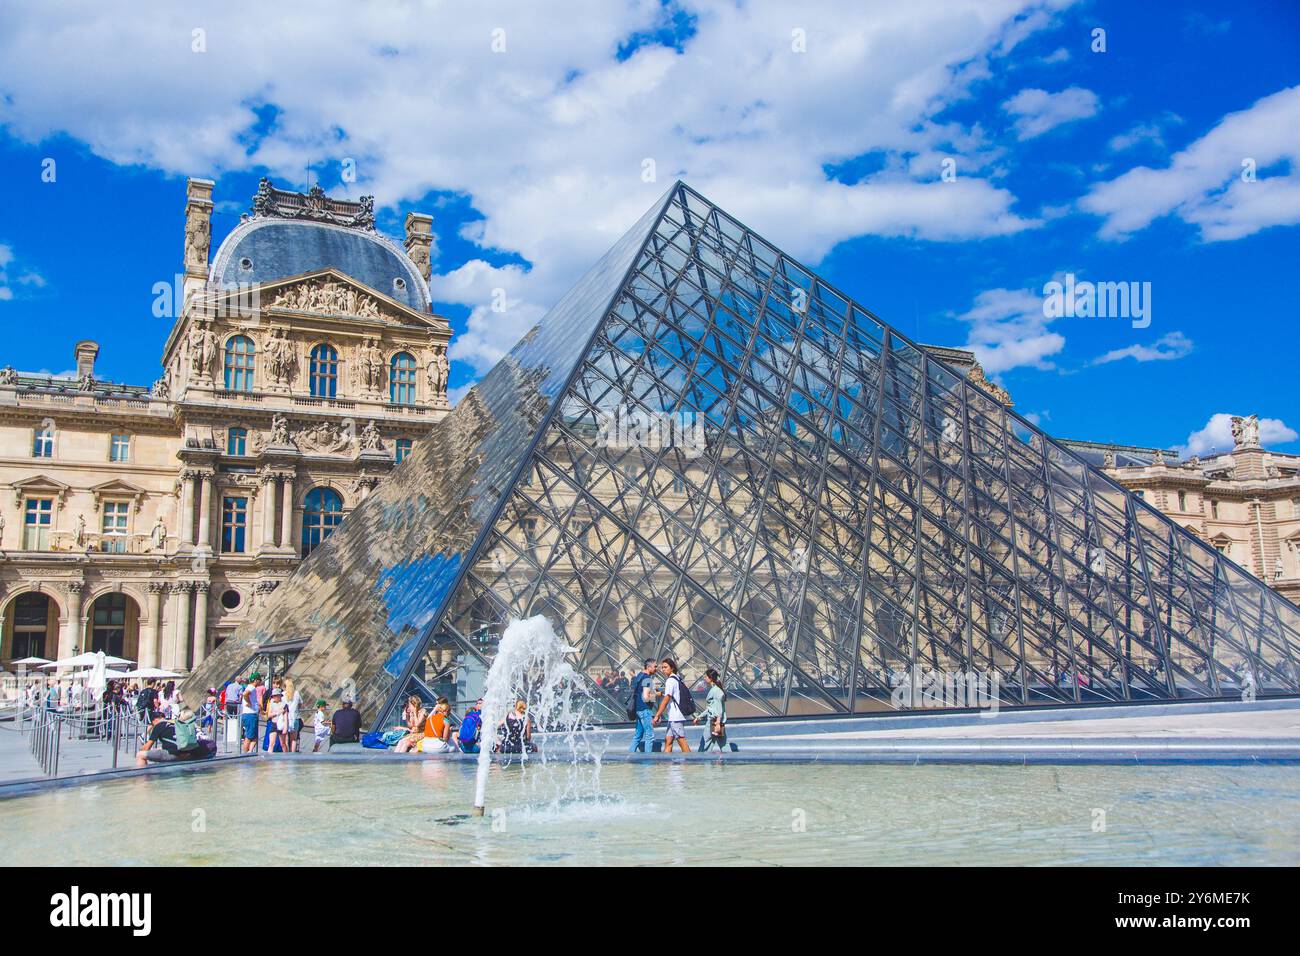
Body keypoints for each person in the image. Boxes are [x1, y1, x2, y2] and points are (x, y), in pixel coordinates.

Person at [652, 658, 690, 753]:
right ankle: (666, 763)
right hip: (674, 716)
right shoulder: (677, 678)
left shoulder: (670, 681)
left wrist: (657, 715)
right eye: (662, 667)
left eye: (665, 667)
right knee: (668, 741)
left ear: (672, 668)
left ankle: (691, 762)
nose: (663, 669)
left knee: (681, 740)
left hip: (675, 716)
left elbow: (666, 699)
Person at [693, 667, 728, 752]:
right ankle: (730, 762)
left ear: (710, 678)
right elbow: (711, 708)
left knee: (705, 743)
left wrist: (718, 724)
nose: (704, 679)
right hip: (716, 721)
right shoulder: (716, 689)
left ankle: (704, 762)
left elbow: (719, 709)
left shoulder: (716, 691)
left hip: (714, 722)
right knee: (723, 745)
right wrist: (700, 717)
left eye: (706, 677)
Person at [627, 658, 657, 754]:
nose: (657, 669)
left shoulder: (639, 676)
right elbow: (646, 697)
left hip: (638, 709)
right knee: (649, 735)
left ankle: (630, 756)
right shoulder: (647, 679)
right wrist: (658, 694)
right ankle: (648, 759)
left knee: (638, 735)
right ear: (648, 667)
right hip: (645, 709)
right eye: (655, 666)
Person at [240, 675, 263, 753]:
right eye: (260, 680)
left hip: (251, 714)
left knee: (254, 736)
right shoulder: (251, 687)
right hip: (250, 714)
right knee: (249, 736)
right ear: (256, 680)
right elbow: (245, 694)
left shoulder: (251, 687)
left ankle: (250, 751)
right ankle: (245, 754)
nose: (261, 681)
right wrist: (249, 703)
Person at [265, 688, 287, 753]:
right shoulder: (272, 703)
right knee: (271, 743)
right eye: (273, 696)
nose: (274, 697)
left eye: (275, 696)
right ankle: (269, 758)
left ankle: (286, 757)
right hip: (274, 723)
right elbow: (269, 715)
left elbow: (285, 717)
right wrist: (277, 712)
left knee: (283, 743)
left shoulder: (284, 704)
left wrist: (285, 727)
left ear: (279, 695)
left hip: (281, 725)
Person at [283, 678, 302, 752]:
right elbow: (300, 703)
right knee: (294, 739)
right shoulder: (297, 693)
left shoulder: (283, 694)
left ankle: (286, 753)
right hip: (295, 717)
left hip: (286, 718)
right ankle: (292, 753)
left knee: (286, 738)